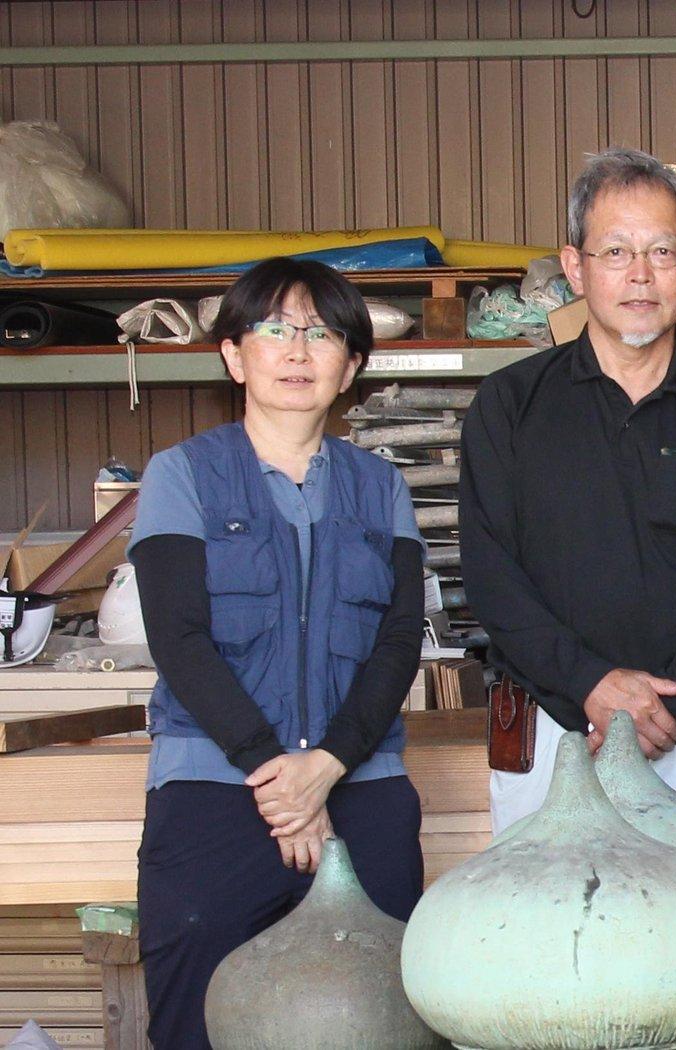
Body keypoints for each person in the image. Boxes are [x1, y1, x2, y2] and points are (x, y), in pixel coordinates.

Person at [129, 257, 427, 1048]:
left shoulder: (380, 487)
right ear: (233, 355)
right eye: (274, 328)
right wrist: (276, 775)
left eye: (322, 333)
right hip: (214, 785)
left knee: (385, 1017)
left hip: (362, 783)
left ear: (352, 365)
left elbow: (399, 642)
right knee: (196, 1009)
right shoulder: (182, 475)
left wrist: (327, 764)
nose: (298, 351)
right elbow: (179, 638)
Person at [460, 148, 676, 837]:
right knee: (555, 942)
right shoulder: (510, 406)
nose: (640, 275)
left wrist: (657, 706)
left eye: (662, 251)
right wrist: (593, 687)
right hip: (556, 743)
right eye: (615, 251)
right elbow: (494, 580)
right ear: (576, 267)